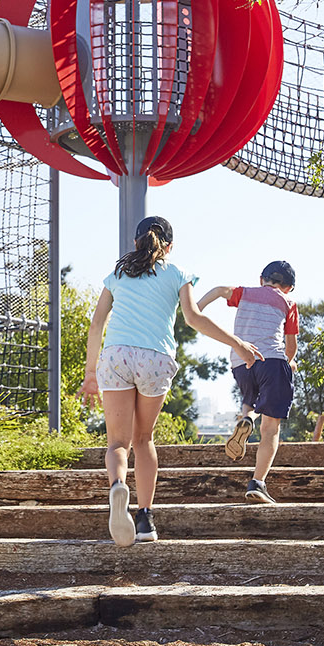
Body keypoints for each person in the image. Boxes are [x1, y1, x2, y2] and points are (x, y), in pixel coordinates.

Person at [81, 216, 261, 547]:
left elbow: (96, 325)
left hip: (117, 355)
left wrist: (91, 373)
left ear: (135, 243)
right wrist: (237, 344)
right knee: (143, 439)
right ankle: (145, 518)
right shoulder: (178, 273)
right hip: (155, 359)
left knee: (118, 443)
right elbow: (194, 318)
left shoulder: (118, 273)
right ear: (170, 246)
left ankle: (118, 486)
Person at [197, 261, 299, 503]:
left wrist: (196, 310)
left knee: (251, 399)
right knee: (270, 428)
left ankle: (246, 418)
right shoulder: (288, 303)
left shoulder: (246, 293)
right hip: (272, 361)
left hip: (241, 362)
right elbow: (291, 347)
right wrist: (289, 363)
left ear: (261, 279)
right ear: (288, 287)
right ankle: (258, 483)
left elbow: (219, 290)